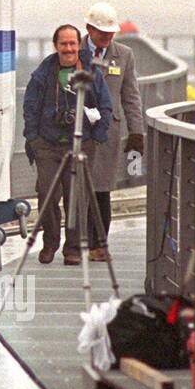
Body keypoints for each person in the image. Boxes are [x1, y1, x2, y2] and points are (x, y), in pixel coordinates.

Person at [22, 23, 113, 265]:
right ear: (56, 46)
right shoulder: (43, 73)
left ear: (78, 44)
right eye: (63, 43)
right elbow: (29, 107)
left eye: (73, 43)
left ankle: (72, 248)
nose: (69, 48)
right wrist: (33, 139)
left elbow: (106, 104)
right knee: (46, 194)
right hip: (48, 144)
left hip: (82, 143)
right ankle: (50, 242)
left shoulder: (92, 71)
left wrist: (97, 134)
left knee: (77, 197)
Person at [81, 2, 144, 260]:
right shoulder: (75, 50)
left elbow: (131, 96)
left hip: (109, 131)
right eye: (102, 32)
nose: (108, 37)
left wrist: (136, 132)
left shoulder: (124, 54)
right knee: (78, 186)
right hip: (79, 128)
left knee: (102, 188)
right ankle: (77, 243)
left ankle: (99, 245)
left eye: (111, 33)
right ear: (89, 29)